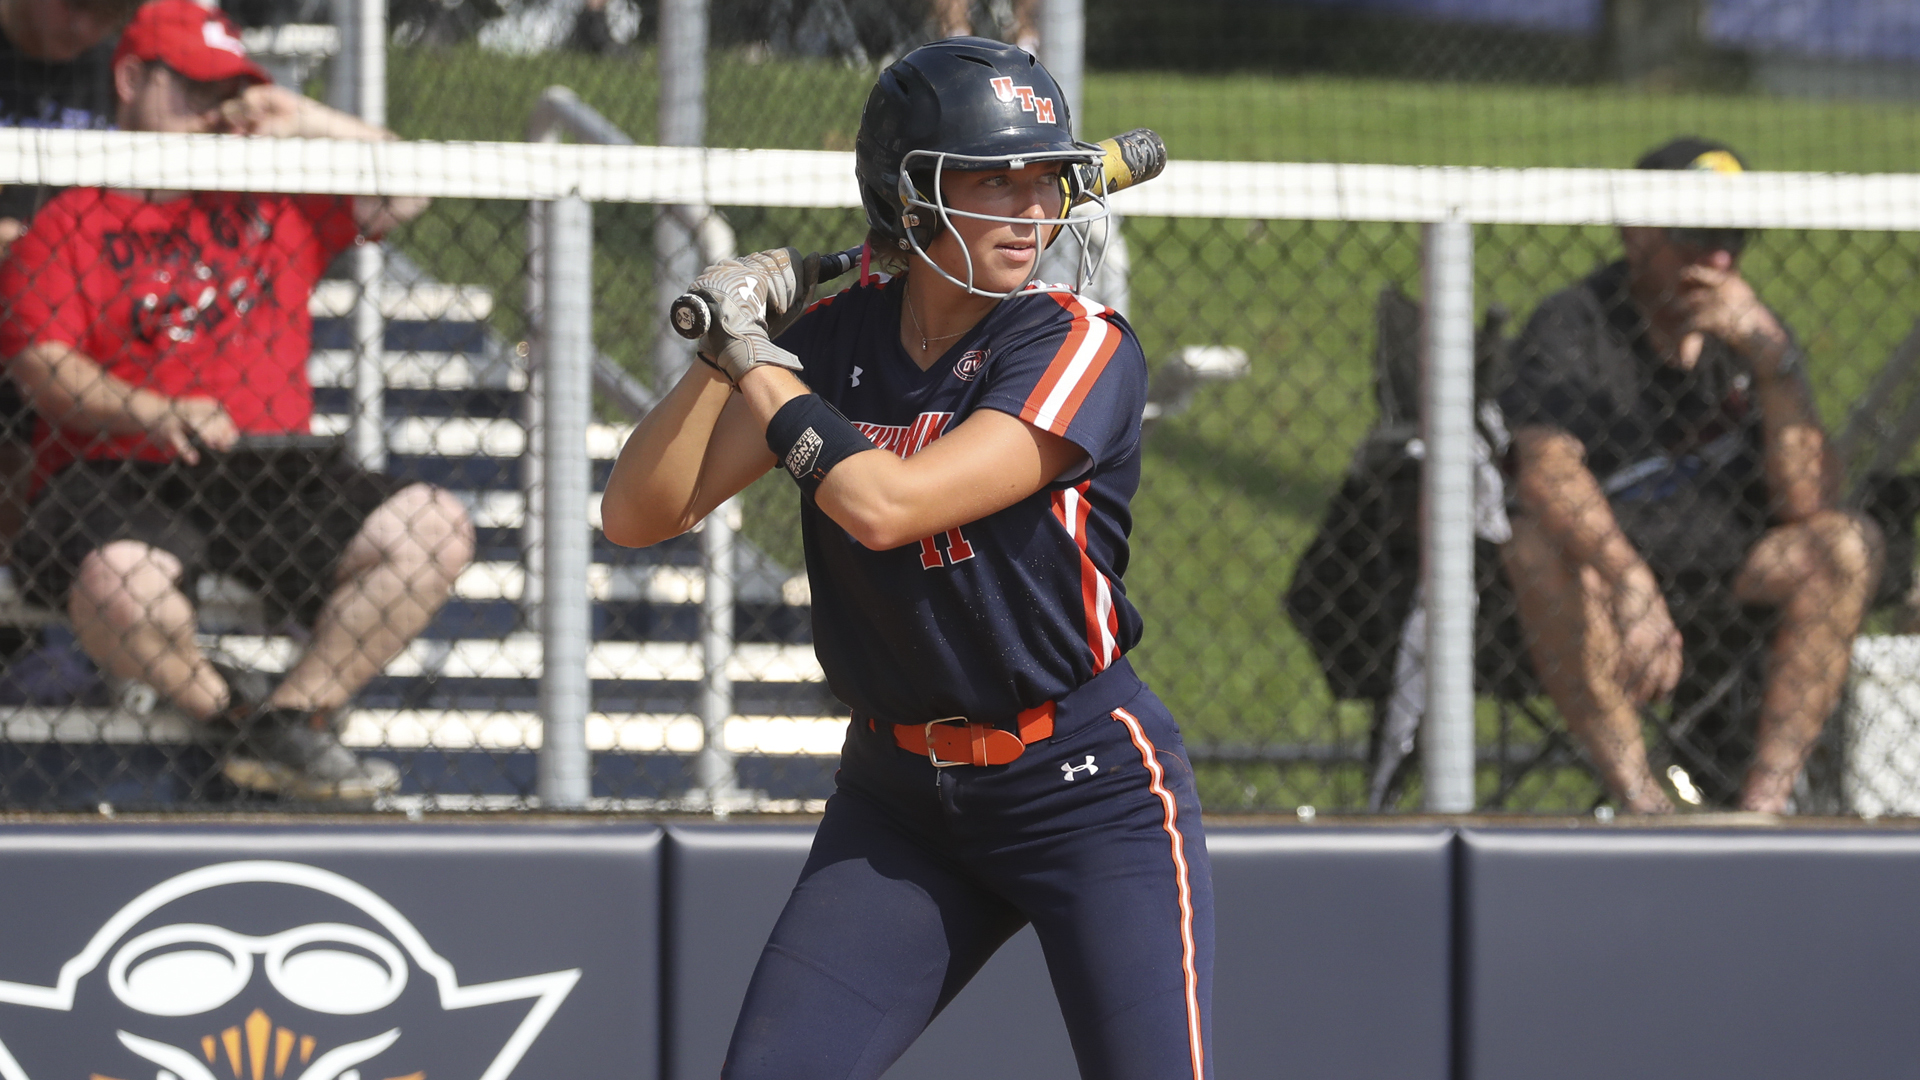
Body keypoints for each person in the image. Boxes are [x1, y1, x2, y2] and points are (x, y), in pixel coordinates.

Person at [603, 38, 1212, 1080]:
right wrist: (721, 357)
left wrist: (757, 360)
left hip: (1084, 785)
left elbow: (885, 507)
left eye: (1043, 180)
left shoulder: (1077, 343)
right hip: (900, 798)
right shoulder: (836, 344)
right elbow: (638, 512)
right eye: (993, 178)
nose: (1030, 210)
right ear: (911, 199)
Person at [0, 0, 473, 799]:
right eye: (194, 88)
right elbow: (42, 366)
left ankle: (291, 717)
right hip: (122, 470)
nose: (217, 109)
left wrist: (301, 115)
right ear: (130, 79)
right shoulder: (70, 211)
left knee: (435, 528)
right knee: (119, 583)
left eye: (231, 90)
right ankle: (234, 718)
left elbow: (410, 188)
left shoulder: (273, 194)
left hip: (265, 469)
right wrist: (152, 411)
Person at [1498, 136, 1883, 815]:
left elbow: (1808, 504)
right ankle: (1644, 804)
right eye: (1697, 234)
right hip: (1604, 583)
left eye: (1733, 236)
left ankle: (1763, 811)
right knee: (1534, 545)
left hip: (1723, 575)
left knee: (1843, 546)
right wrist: (1628, 578)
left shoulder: (1754, 337)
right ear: (1637, 231)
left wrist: (1775, 362)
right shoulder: (1575, 325)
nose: (1719, 259)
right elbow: (1544, 470)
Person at [0, 0, 142, 556]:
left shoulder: (117, 69)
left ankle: (19, 621)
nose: (86, 29)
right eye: (75, 8)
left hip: (67, 302)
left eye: (106, 17)